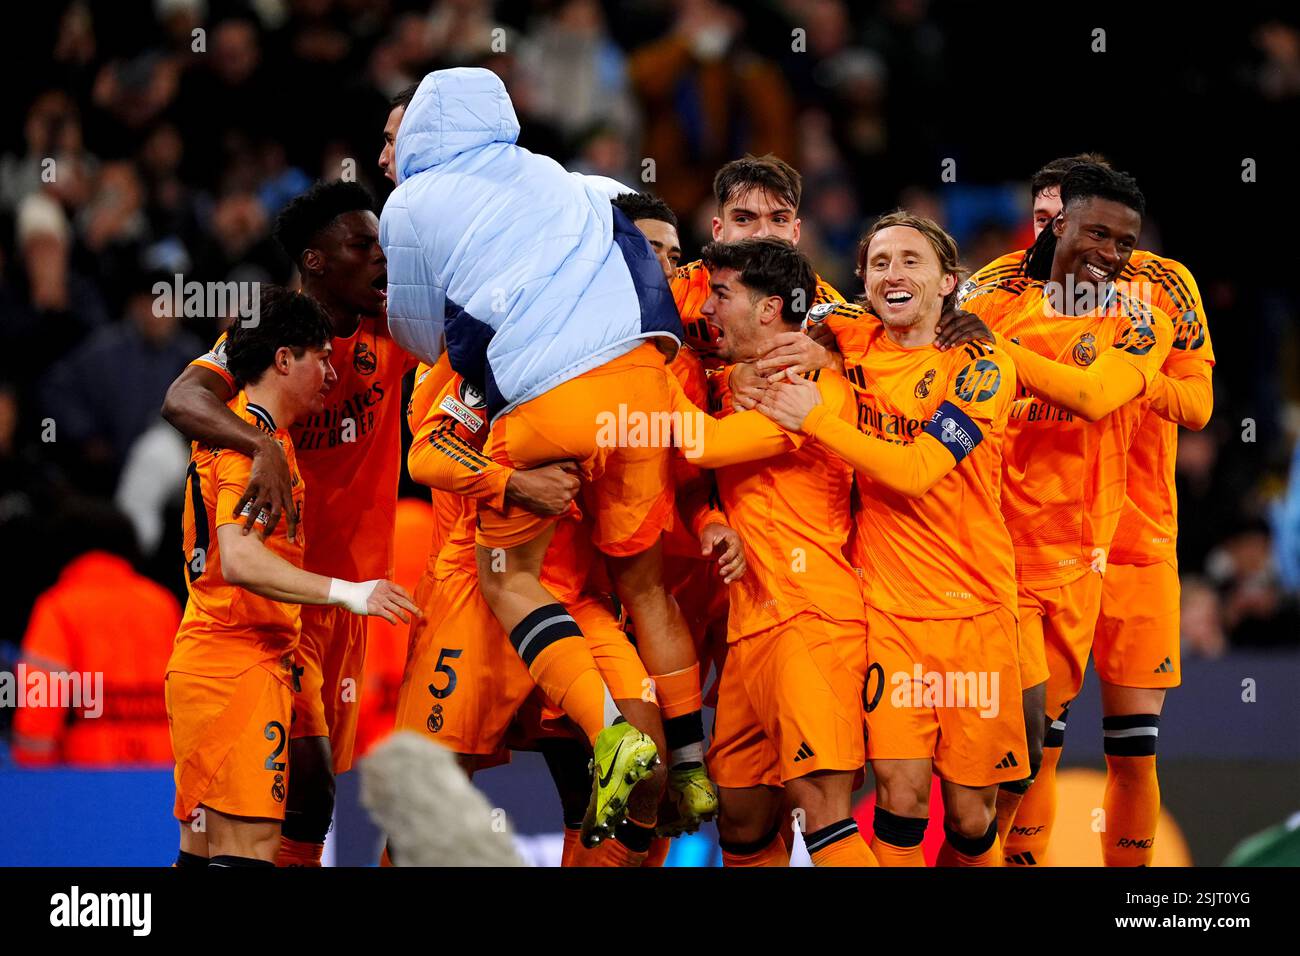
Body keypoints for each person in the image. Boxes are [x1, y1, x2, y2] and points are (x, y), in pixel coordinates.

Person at [380, 66, 705, 845]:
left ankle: (666, 758)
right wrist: (511, 479)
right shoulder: (576, 201)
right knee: (426, 798)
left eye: (671, 252)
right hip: (482, 575)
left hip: (569, 589)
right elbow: (428, 450)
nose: (655, 263)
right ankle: (684, 755)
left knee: (637, 798)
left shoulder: (478, 309)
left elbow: (416, 324)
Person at [961, 153, 1216, 866]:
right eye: (1044, 221)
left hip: (1139, 536)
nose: (1094, 250)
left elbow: (1197, 404)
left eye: (1117, 238)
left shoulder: (1158, 291)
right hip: (1037, 543)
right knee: (1036, 745)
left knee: (1134, 749)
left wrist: (1130, 380)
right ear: (1046, 221)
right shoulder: (996, 289)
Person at [759, 213, 1026, 866]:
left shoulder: (981, 365)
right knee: (899, 797)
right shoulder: (853, 333)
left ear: (947, 282)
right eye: (879, 263)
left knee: (969, 815)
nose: (893, 274)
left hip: (977, 615)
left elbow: (916, 472)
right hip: (891, 618)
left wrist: (816, 420)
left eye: (910, 260)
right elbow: (784, 311)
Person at [162, 180, 413, 867]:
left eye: (383, 244)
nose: (380, 261)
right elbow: (183, 395)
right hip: (272, 603)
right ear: (315, 260)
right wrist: (261, 443)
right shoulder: (265, 338)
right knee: (272, 805)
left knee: (309, 796)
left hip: (343, 601)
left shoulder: (397, 325)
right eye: (362, 246)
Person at [660, 237, 879, 867]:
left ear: (768, 309)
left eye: (722, 294)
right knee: (742, 817)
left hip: (812, 622)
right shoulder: (743, 382)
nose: (707, 308)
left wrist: (650, 365)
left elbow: (699, 445)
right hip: (751, 627)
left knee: (823, 812)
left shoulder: (808, 386)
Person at [13, 499, 179, 767]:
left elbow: (41, 701)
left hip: (85, 777)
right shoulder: (162, 603)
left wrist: (31, 771)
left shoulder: (59, 606)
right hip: (162, 775)